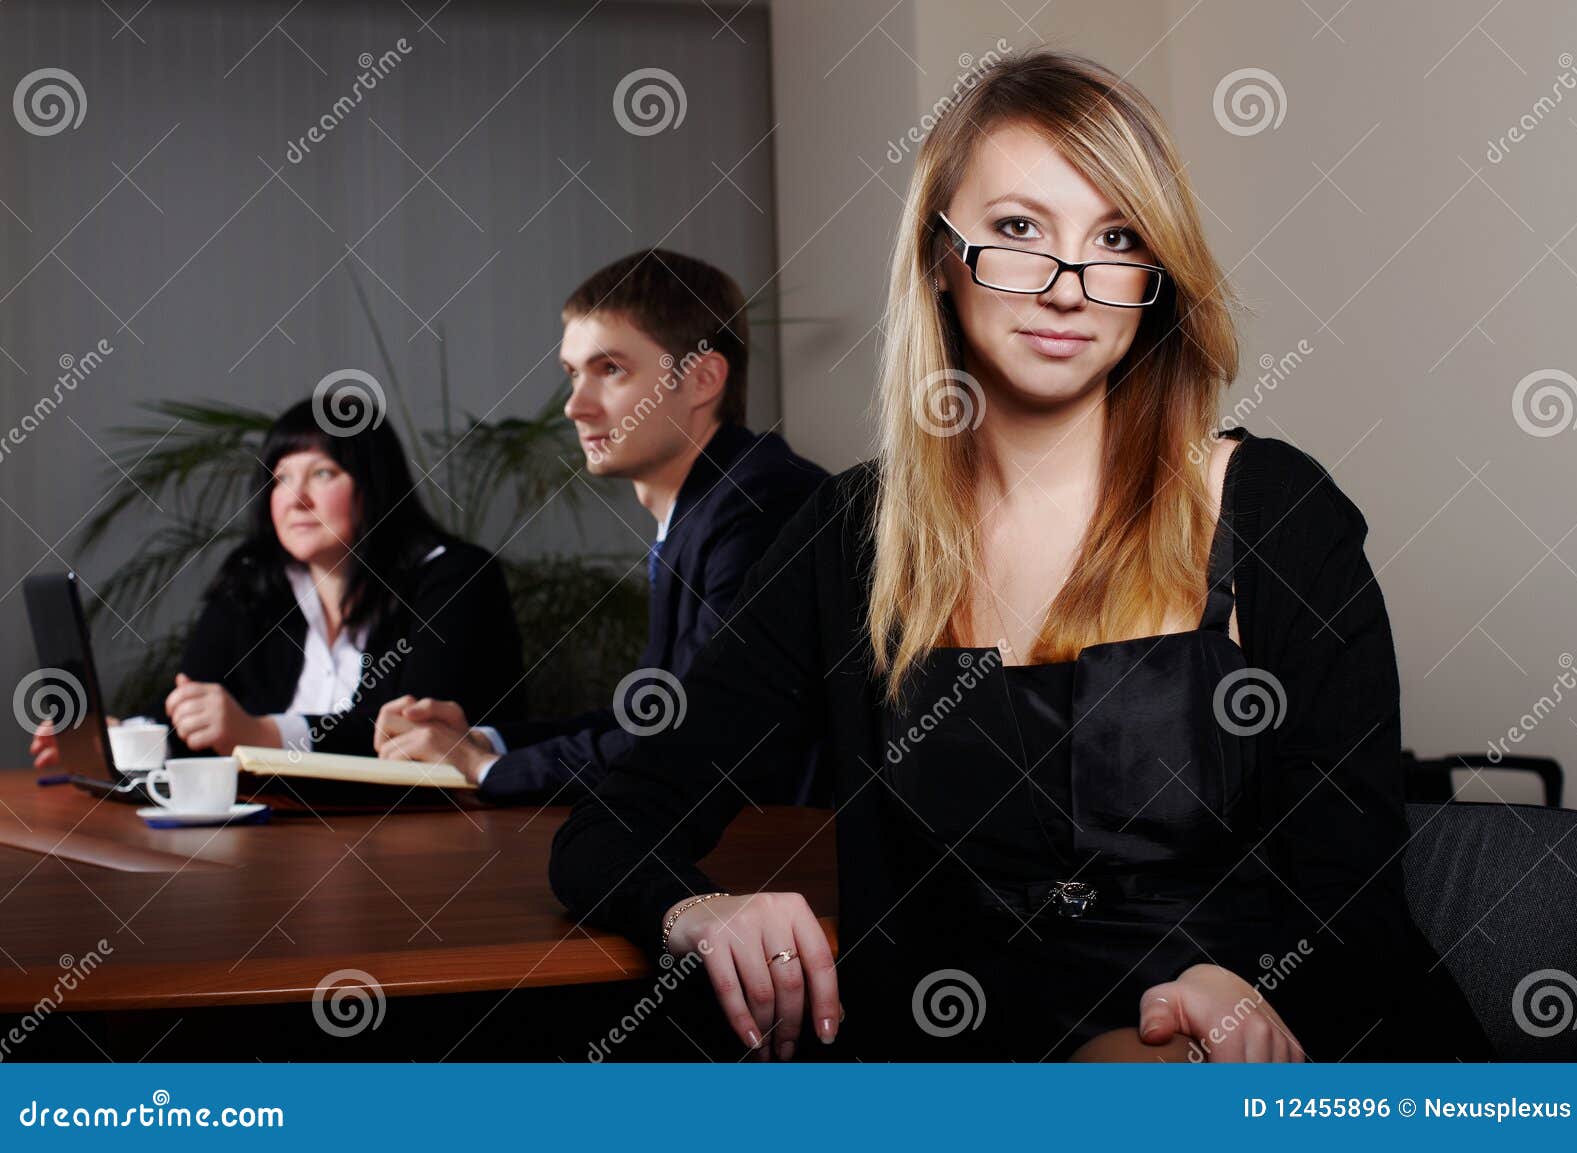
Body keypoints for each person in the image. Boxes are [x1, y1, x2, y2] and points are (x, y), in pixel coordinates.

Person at [546, 50, 1493, 1063]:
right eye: (1016, 230)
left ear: (1155, 275)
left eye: (1116, 236)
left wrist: (1247, 984)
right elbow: (616, 815)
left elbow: (1352, 895)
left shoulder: (1275, 510)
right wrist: (696, 909)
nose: (1068, 286)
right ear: (940, 256)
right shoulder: (848, 534)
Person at [371, 249, 828, 804]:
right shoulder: (714, 502)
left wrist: (488, 769)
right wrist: (479, 742)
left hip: (793, 866)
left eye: (611, 369)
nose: (574, 407)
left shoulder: (763, 504)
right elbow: (644, 722)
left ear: (703, 378)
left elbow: (692, 735)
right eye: (572, 373)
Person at [32, 393, 525, 765]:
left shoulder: (455, 576)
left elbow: (408, 734)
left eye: (323, 473)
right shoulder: (253, 581)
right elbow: (203, 714)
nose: (296, 499)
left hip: (425, 837)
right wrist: (118, 737)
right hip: (278, 830)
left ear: (375, 485)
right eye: (281, 478)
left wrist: (260, 732)